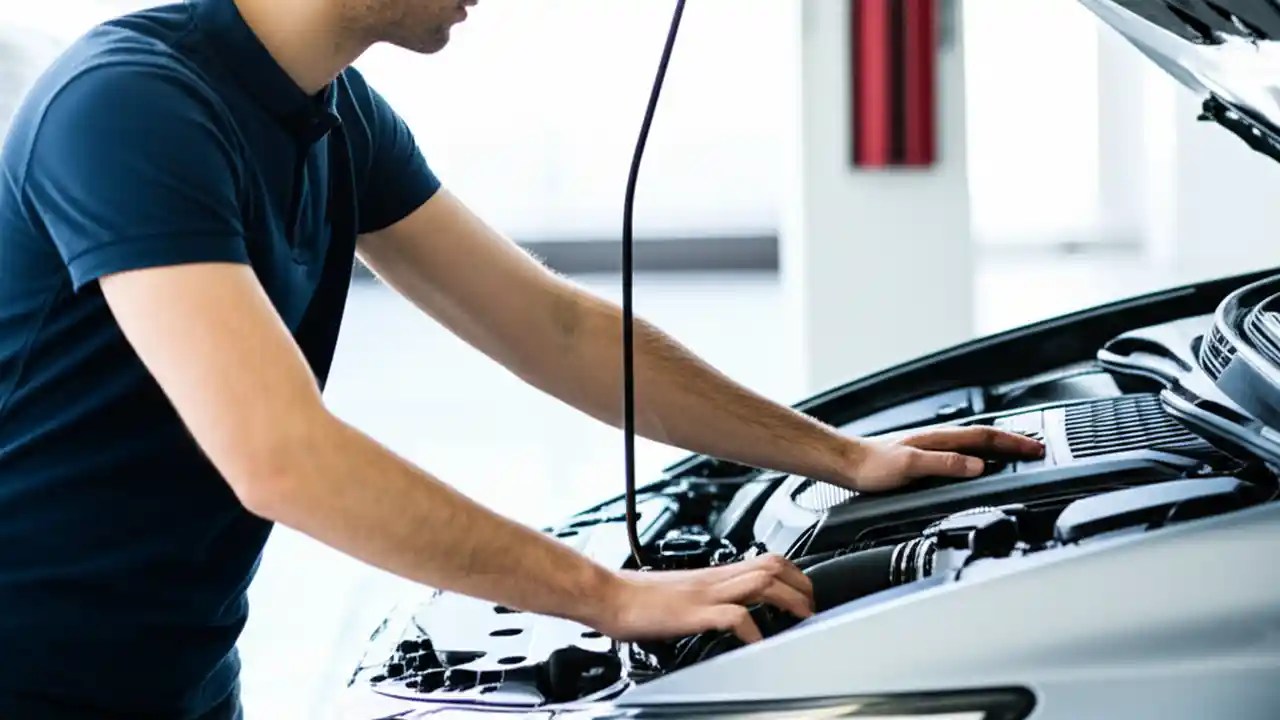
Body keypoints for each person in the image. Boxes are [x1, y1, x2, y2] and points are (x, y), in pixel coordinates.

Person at [0, 0, 1045, 717]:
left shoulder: (334, 117)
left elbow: (554, 329)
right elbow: (280, 455)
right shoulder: (130, 106)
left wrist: (841, 458)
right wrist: (609, 595)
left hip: (174, 671)